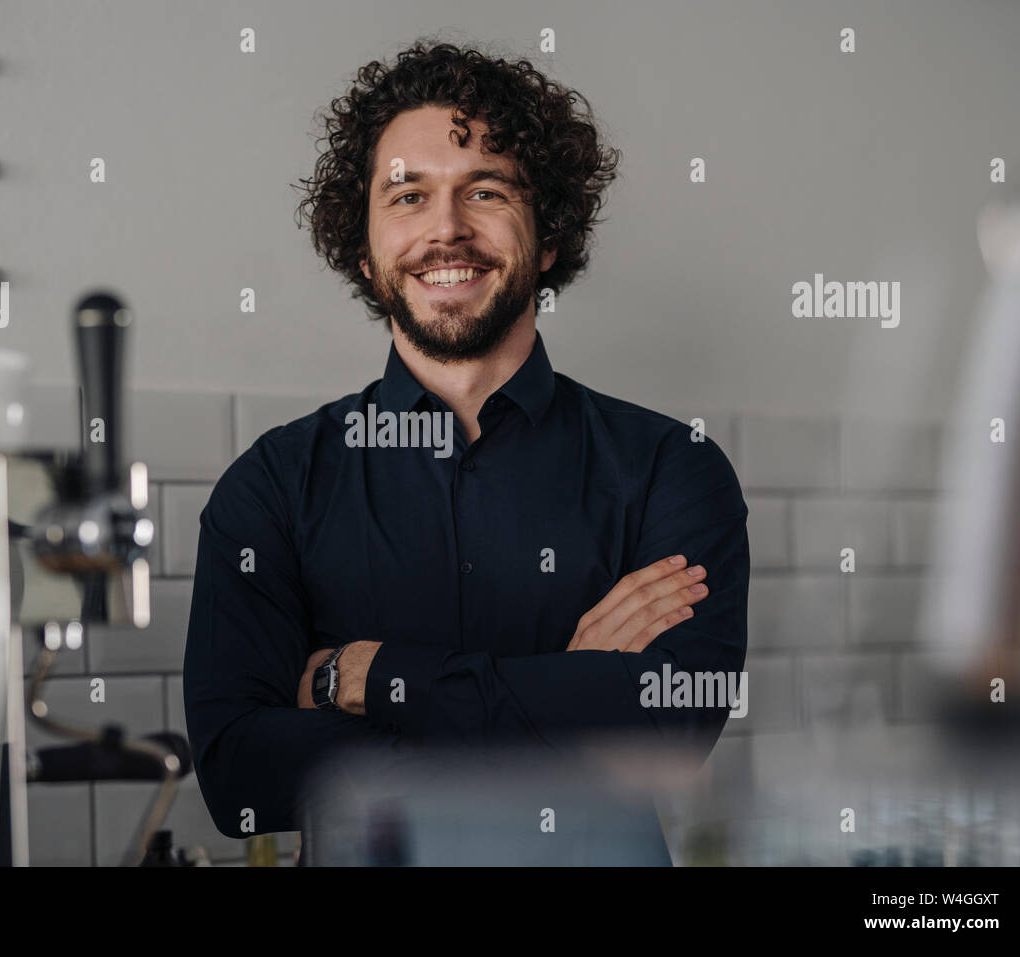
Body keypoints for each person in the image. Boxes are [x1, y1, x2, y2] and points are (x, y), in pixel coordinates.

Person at [182, 41, 749, 854]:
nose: (446, 230)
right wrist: (564, 693)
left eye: (485, 190)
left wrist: (368, 679)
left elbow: (670, 727)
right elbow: (240, 776)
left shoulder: (671, 469)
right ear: (366, 249)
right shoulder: (272, 486)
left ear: (547, 235)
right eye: (408, 196)